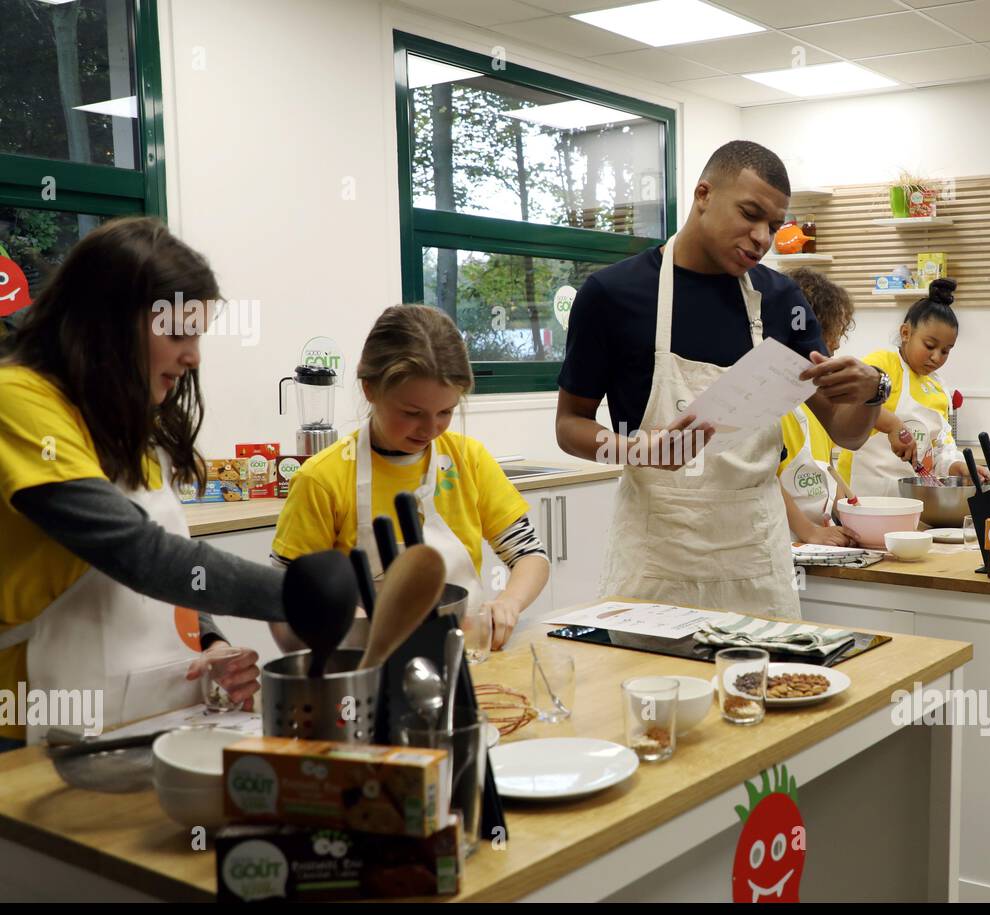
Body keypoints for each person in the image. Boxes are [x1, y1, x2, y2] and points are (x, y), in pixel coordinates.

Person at [556, 140, 887, 620]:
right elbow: (569, 427)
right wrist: (635, 449)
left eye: (774, 226)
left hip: (755, 559)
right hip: (656, 560)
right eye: (750, 214)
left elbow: (846, 432)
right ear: (703, 194)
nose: (761, 237)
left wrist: (874, 391)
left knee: (764, 691)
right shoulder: (613, 294)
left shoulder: (781, 302)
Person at [0, 217, 284, 749]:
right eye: (178, 334)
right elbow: (138, 552)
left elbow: (172, 571)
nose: (193, 356)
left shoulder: (127, 422)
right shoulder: (17, 402)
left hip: (144, 727)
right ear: (107, 324)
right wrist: (299, 596)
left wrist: (211, 642)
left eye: (197, 336)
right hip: (27, 733)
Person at [271, 304, 549, 650]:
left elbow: (530, 554)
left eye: (445, 412)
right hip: (364, 667)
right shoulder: (323, 478)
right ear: (370, 389)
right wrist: (345, 617)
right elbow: (284, 590)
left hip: (465, 659)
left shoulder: (467, 459)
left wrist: (509, 602)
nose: (430, 429)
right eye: (412, 413)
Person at [839, 278, 990, 497]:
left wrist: (957, 467)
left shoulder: (938, 388)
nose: (936, 357)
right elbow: (851, 404)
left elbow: (940, 449)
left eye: (946, 351)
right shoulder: (882, 365)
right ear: (906, 333)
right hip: (863, 495)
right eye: (929, 346)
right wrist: (893, 425)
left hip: (911, 502)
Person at [778, 268, 856, 546]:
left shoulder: (815, 401)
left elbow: (826, 470)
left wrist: (857, 512)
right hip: (783, 542)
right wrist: (810, 532)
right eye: (828, 341)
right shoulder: (769, 400)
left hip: (815, 542)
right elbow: (762, 479)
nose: (832, 350)